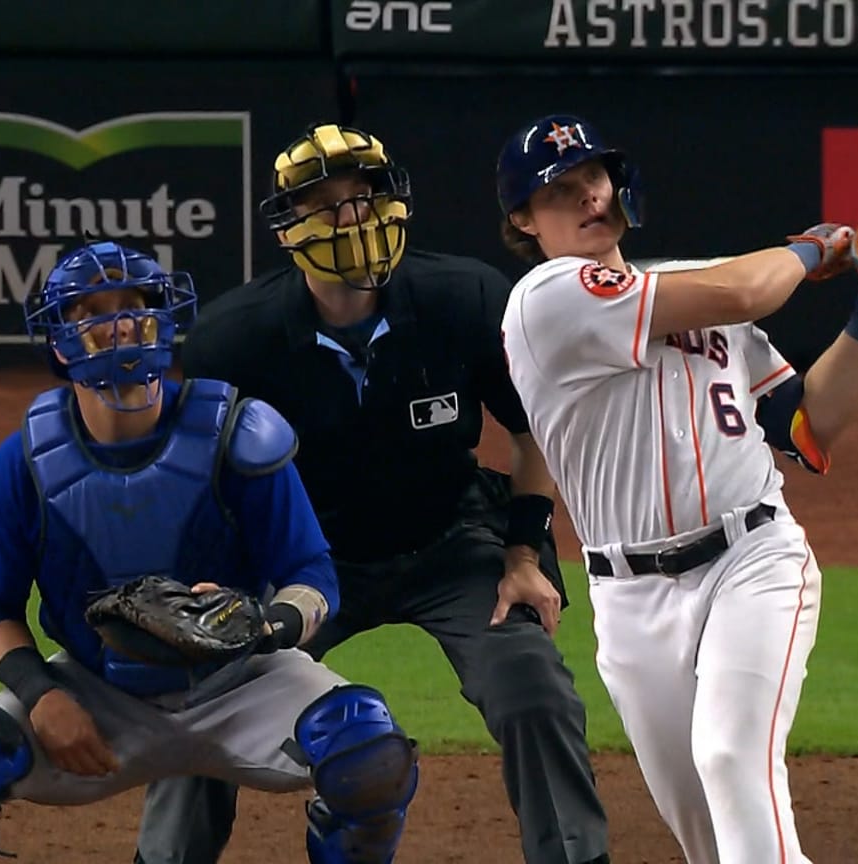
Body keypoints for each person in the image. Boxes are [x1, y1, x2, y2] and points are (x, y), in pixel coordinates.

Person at [132, 123, 612, 864]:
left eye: (365, 197)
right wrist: (216, 585)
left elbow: (534, 435)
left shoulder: (465, 298)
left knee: (531, 686)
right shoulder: (234, 342)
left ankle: (578, 858)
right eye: (327, 204)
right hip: (304, 561)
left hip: (451, 541)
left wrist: (524, 552)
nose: (353, 216)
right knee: (213, 692)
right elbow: (195, 482)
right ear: (289, 230)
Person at [0, 240, 420, 864]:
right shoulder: (26, 463)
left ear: (164, 321)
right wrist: (43, 694)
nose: (119, 323)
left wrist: (268, 623)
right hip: (97, 691)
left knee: (366, 751)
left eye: (135, 307)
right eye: (95, 309)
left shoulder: (237, 434)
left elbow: (311, 575)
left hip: (239, 683)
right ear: (61, 342)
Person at [492, 114, 858, 863]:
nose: (590, 196)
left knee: (731, 759)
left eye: (594, 176)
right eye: (560, 190)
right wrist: (809, 248)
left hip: (750, 561)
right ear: (524, 220)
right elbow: (752, 287)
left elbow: (808, 426)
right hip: (628, 601)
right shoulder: (546, 300)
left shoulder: (699, 288)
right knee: (706, 836)